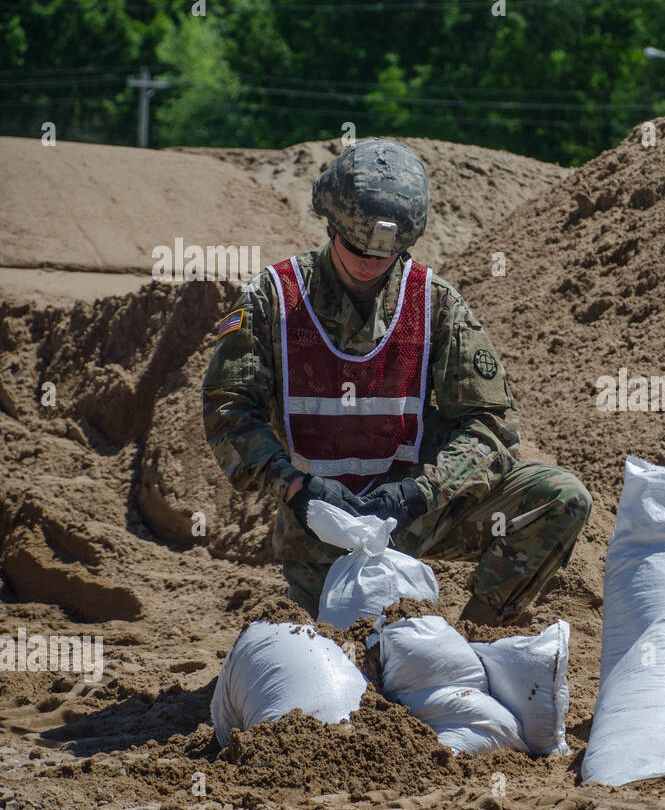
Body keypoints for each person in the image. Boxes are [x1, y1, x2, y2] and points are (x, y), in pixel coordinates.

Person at [202, 138, 591, 625]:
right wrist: (295, 487)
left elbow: (489, 426)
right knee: (341, 661)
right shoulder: (274, 298)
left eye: (388, 254)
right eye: (356, 248)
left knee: (562, 496)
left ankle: (481, 633)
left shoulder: (435, 302)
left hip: (414, 512)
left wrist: (423, 491)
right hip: (320, 530)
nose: (370, 264)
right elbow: (229, 411)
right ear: (330, 224)